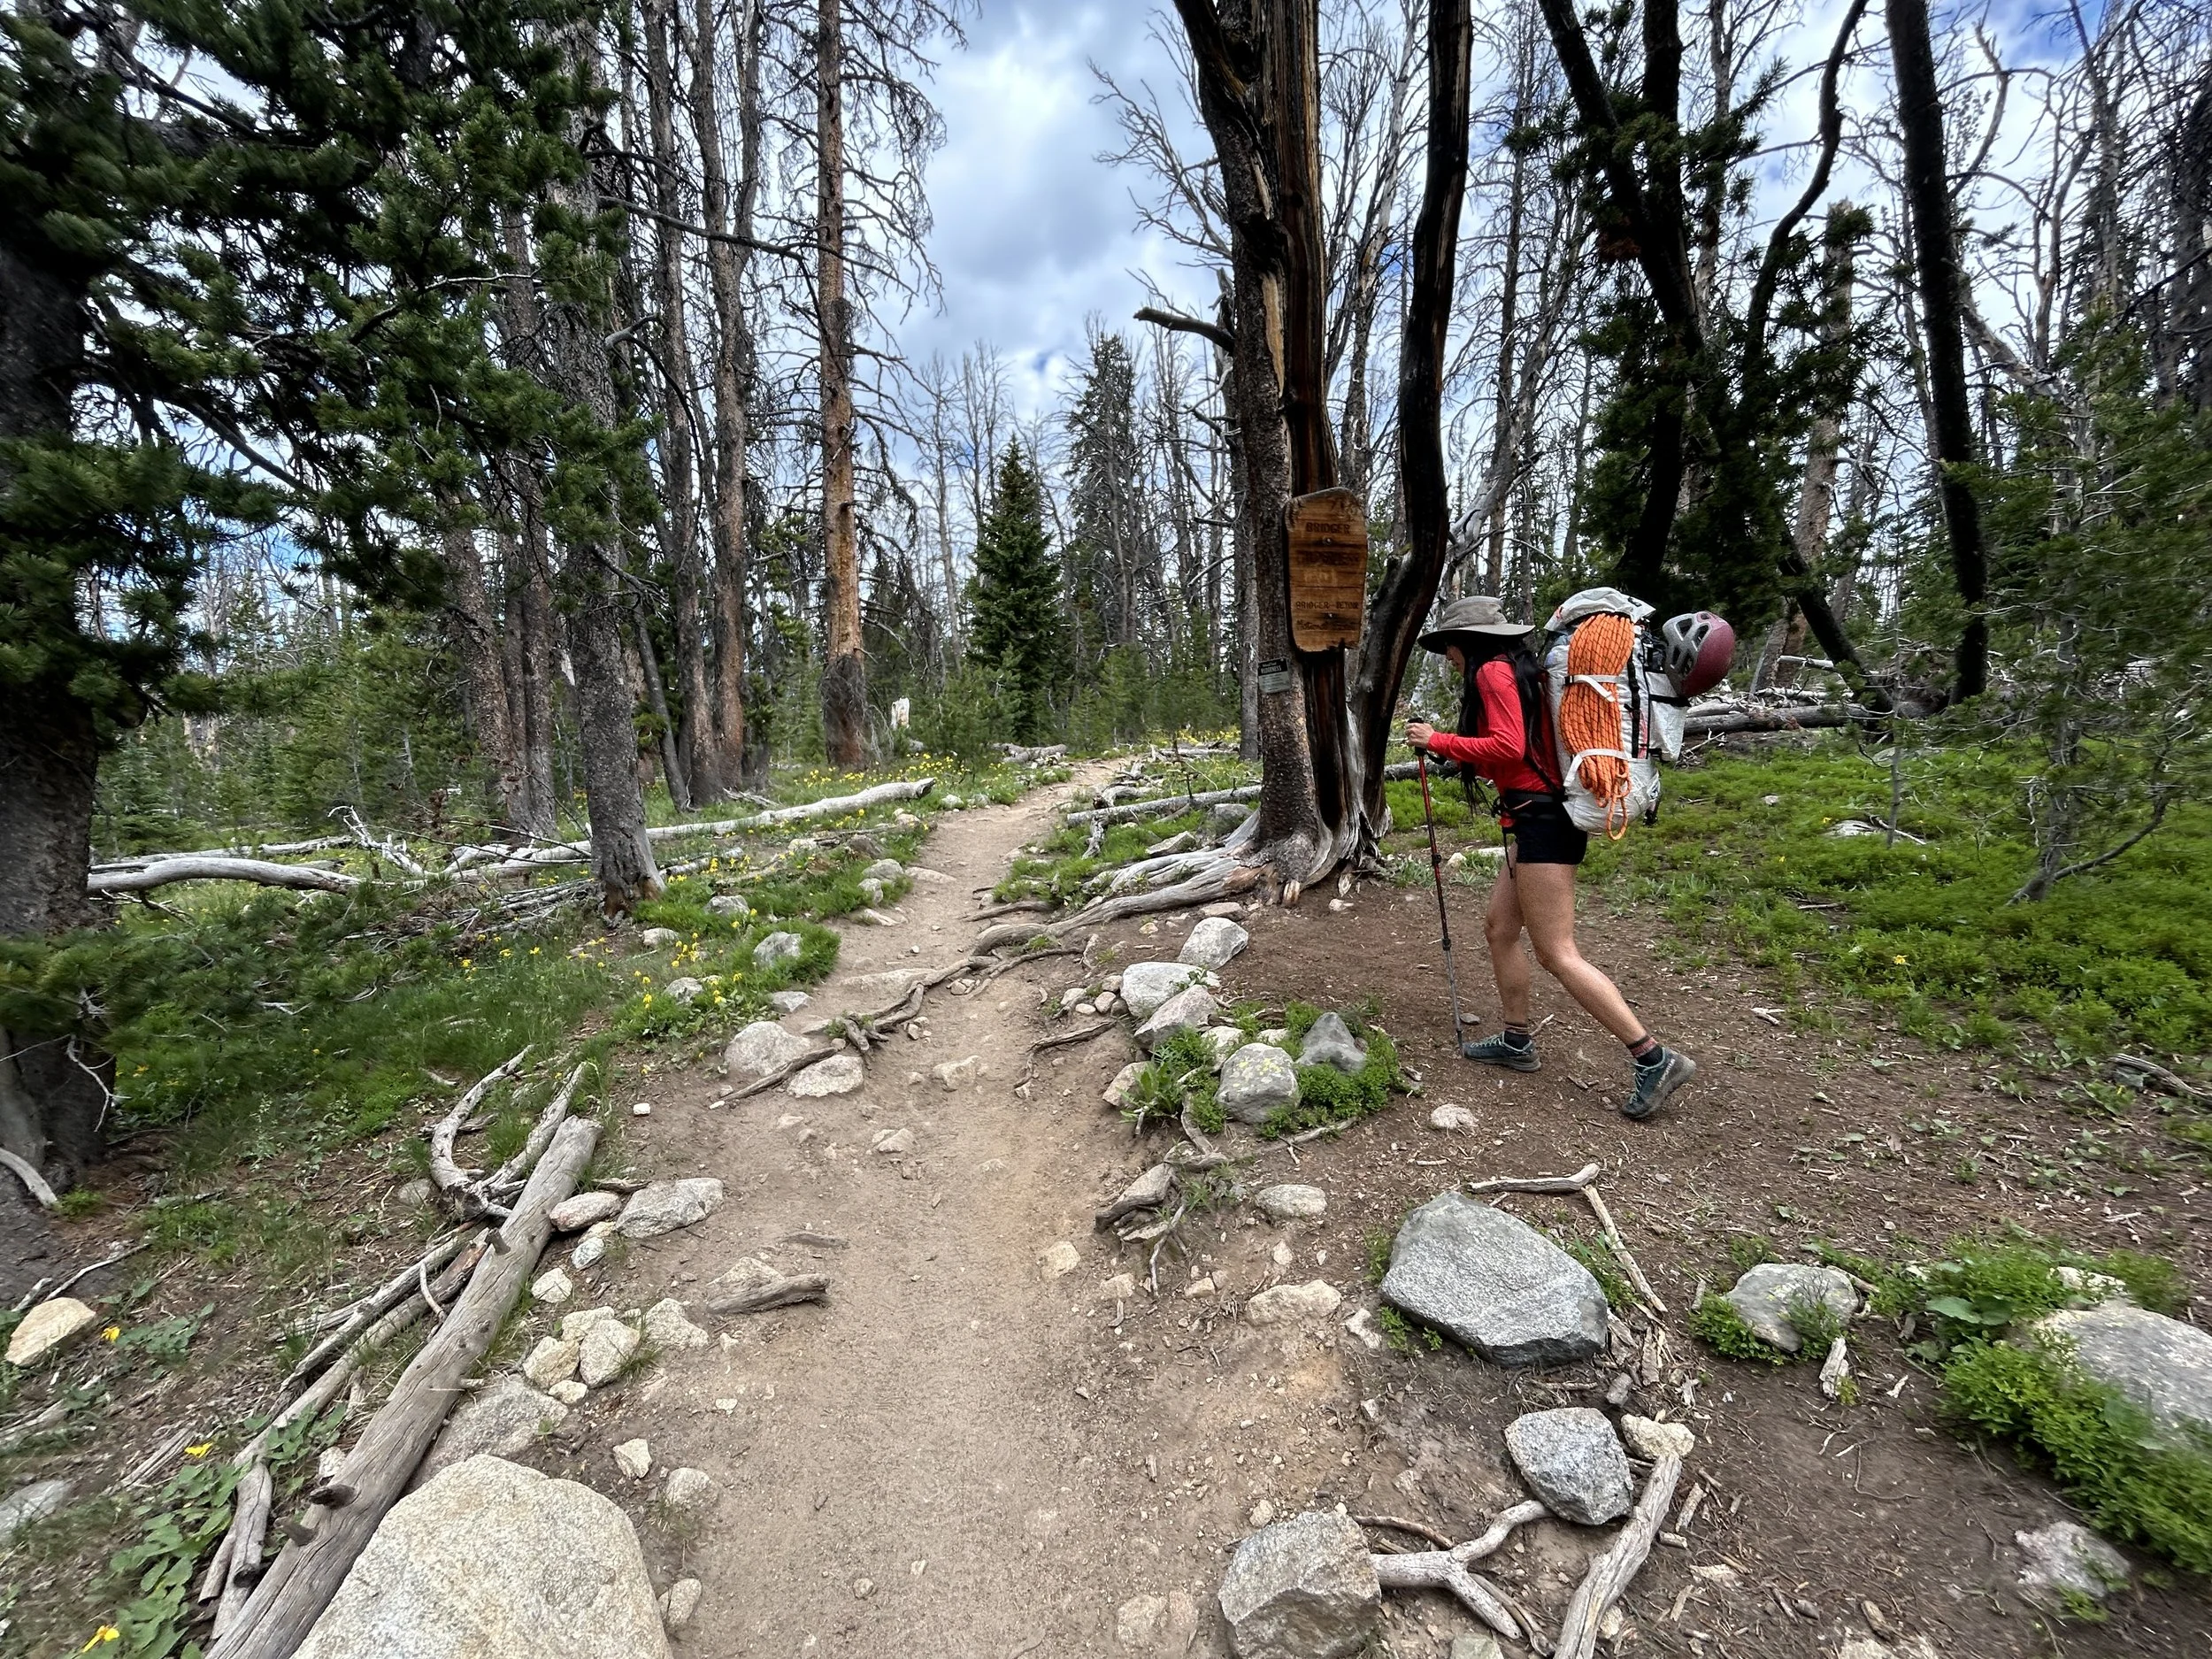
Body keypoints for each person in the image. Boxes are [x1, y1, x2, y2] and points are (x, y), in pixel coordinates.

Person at [1402, 595, 1697, 1122]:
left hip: (1544, 822)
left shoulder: (1492, 672)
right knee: (1498, 929)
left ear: (1462, 644)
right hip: (1530, 817)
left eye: (1446, 647)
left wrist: (1439, 740)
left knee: (1557, 952)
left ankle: (1652, 1056)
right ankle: (1517, 1040)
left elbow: (1509, 747)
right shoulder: (1519, 668)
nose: (1447, 658)